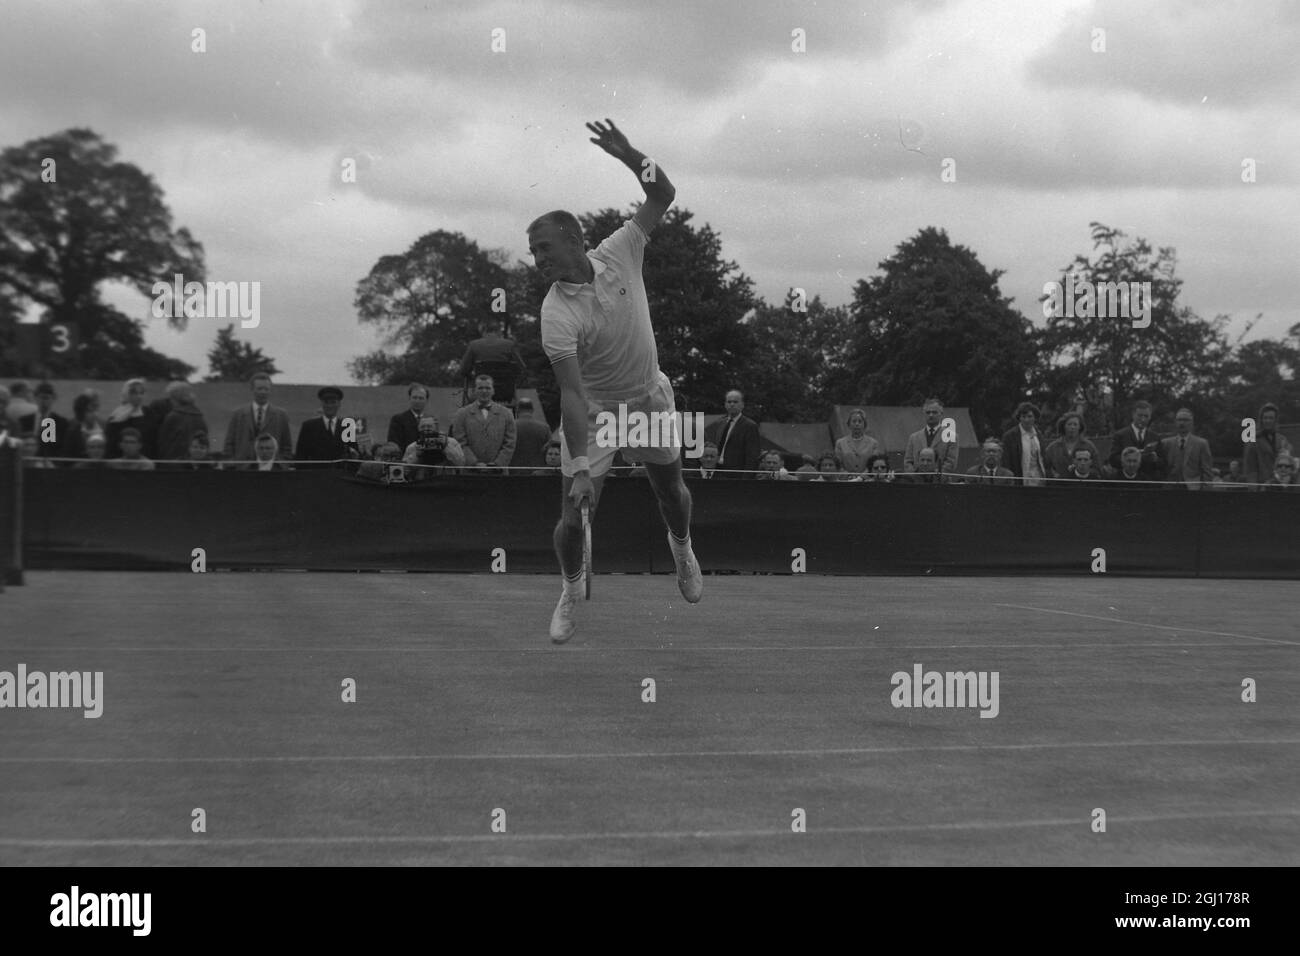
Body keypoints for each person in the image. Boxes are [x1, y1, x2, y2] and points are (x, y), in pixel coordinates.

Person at [531, 117, 701, 643]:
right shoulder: (555, 313)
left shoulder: (622, 248)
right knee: (571, 518)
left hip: (649, 397)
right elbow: (574, 394)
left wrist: (629, 153)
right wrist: (581, 466)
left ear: (576, 241)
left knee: (671, 491)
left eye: (545, 249)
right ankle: (570, 585)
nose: (538, 260)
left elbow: (663, 193)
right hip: (598, 409)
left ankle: (681, 548)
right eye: (534, 253)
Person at [450, 374, 517, 472]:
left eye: (487, 388)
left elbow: (510, 443)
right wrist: (474, 463)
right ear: (474, 390)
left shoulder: (507, 414)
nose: (484, 391)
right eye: (480, 388)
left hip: (498, 473)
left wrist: (497, 464)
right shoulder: (462, 414)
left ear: (493, 390)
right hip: (470, 472)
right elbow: (460, 442)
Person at [224, 373, 294, 464]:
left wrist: (281, 465)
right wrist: (232, 463)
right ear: (252, 389)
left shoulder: (281, 415)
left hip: (271, 469)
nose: (263, 392)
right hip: (242, 469)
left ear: (270, 390)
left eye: (266, 389)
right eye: (259, 389)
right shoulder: (238, 414)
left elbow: (287, 446)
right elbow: (229, 443)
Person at [459, 323, 526, 407]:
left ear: (484, 332)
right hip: (505, 393)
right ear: (498, 331)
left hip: (481, 391)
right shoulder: (509, 344)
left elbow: (463, 369)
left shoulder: (474, 345)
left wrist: (471, 377)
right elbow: (522, 367)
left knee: (468, 403)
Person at [295, 386, 360, 467]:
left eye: (333, 402)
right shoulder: (309, 426)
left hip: (340, 476)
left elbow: (354, 457)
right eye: (326, 402)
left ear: (339, 404)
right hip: (315, 475)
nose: (329, 406)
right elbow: (300, 456)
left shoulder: (347, 427)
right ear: (321, 404)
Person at [704, 389, 762, 478]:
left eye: (735, 402)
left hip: (736, 474)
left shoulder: (750, 426)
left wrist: (747, 479)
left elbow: (752, 457)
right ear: (725, 404)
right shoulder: (719, 423)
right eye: (729, 402)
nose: (732, 404)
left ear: (742, 405)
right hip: (717, 471)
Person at [1159, 408, 1214, 490]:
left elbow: (1207, 471)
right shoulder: (1165, 443)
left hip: (1192, 489)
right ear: (1175, 422)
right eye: (1179, 420)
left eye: (1185, 420)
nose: (1182, 423)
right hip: (1169, 488)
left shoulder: (1201, 444)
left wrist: (1206, 491)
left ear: (1192, 423)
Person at [1106, 400, 1161, 480]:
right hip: (1126, 481)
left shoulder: (1155, 437)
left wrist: (1155, 459)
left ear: (1150, 417)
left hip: (1148, 482)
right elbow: (1113, 459)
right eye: (1140, 415)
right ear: (1133, 415)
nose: (1143, 419)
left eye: (1146, 416)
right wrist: (1128, 459)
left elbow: (1163, 463)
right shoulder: (1120, 435)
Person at [1243, 402, 1292, 489]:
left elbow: (1290, 464)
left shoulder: (1282, 439)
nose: (1268, 421)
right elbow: (1251, 469)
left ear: (1275, 420)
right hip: (1262, 488)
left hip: (1280, 486)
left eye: (1271, 418)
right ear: (1261, 419)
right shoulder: (1253, 440)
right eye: (1265, 418)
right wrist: (1253, 489)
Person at [903, 398, 959, 475]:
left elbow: (951, 462)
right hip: (917, 482)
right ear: (924, 414)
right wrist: (914, 476)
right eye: (928, 412)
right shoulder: (914, 437)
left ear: (941, 413)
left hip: (940, 482)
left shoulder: (951, 436)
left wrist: (936, 477)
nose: (931, 415)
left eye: (934, 412)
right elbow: (908, 462)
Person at [157, 382, 209, 463]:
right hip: (193, 463)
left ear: (175, 398)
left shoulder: (173, 416)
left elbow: (163, 444)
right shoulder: (199, 417)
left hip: (174, 463)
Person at [1001, 401, 1048, 486]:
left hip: (1039, 478)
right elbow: (1006, 461)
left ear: (1035, 418)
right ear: (1019, 418)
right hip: (1020, 479)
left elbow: (1043, 457)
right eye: (1023, 417)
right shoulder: (1010, 436)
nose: (1026, 420)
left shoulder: (1039, 434)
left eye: (1030, 416)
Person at [1044, 412, 1099, 479]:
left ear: (1080, 427)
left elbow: (1097, 468)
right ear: (1063, 426)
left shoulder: (1089, 446)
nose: (1072, 427)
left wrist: (1084, 471)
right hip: (1059, 485)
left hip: (1083, 485)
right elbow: (1045, 467)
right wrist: (1054, 475)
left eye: (1075, 424)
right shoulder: (1053, 447)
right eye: (1069, 424)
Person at [104, 379, 150, 459]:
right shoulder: (116, 417)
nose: (139, 396)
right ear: (126, 394)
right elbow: (111, 445)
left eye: (141, 393)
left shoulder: (148, 413)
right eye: (134, 393)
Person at [834, 409, 880, 476]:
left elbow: (874, 464)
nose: (857, 424)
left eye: (860, 421)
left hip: (866, 480)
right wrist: (847, 475)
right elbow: (838, 464)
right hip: (847, 480)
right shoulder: (840, 443)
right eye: (854, 421)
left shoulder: (873, 443)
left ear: (865, 424)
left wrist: (863, 476)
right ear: (849, 424)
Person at [511, 397, 553, 471]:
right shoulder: (544, 427)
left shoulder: (510, 427)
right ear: (532, 410)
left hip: (515, 469)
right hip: (538, 470)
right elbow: (550, 449)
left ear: (517, 410)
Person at [387, 383, 429, 453]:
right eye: (414, 397)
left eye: (421, 398)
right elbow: (393, 444)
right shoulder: (398, 420)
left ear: (426, 400)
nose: (417, 401)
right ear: (409, 398)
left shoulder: (431, 420)